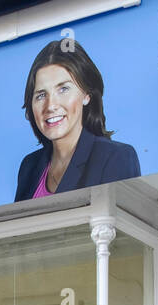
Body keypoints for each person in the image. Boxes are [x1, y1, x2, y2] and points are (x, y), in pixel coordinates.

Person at [14, 39, 139, 202]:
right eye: (41, 95)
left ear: (86, 95)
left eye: (63, 89)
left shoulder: (115, 157)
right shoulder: (29, 166)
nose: (50, 105)